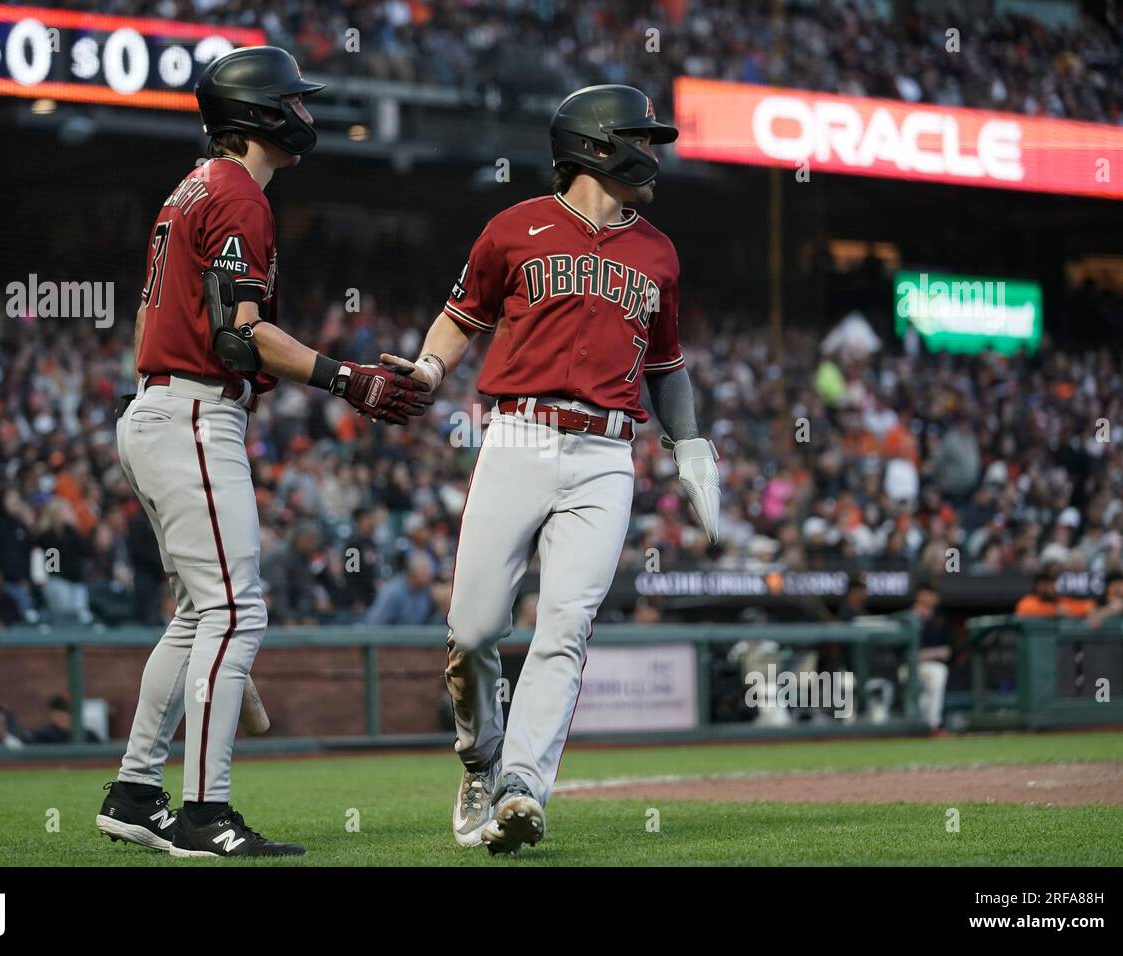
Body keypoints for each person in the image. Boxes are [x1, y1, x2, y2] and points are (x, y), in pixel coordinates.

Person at [95, 45, 432, 860]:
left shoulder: (189, 190)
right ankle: (208, 815)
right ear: (258, 113)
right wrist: (345, 378)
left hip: (157, 406)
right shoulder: (240, 193)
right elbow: (240, 336)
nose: (305, 114)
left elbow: (153, 330)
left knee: (197, 619)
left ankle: (137, 792)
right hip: (194, 413)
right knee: (238, 612)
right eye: (293, 101)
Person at [381, 85, 721, 854]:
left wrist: (690, 442)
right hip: (518, 438)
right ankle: (479, 760)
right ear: (599, 146)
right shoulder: (513, 228)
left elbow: (667, 365)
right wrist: (431, 371)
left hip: (607, 454)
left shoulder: (658, 251)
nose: (655, 152)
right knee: (471, 632)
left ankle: (521, 789)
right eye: (642, 137)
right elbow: (461, 317)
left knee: (564, 628)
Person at [898, 582, 950, 732]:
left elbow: (947, 651)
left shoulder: (940, 619)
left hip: (930, 666)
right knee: (921, 681)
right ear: (919, 596)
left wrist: (923, 655)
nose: (931, 598)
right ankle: (919, 726)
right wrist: (932, 653)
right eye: (927, 594)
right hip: (907, 667)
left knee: (938, 673)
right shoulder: (907, 618)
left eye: (933, 594)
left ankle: (933, 725)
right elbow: (903, 654)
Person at [362, 551, 436, 625]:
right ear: (414, 572)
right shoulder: (394, 592)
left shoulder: (426, 591)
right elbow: (374, 624)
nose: (430, 573)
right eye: (426, 570)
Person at [27, 694, 102, 744]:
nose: (67, 717)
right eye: (62, 713)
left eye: (71, 713)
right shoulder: (42, 736)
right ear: (52, 714)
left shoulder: (89, 736)